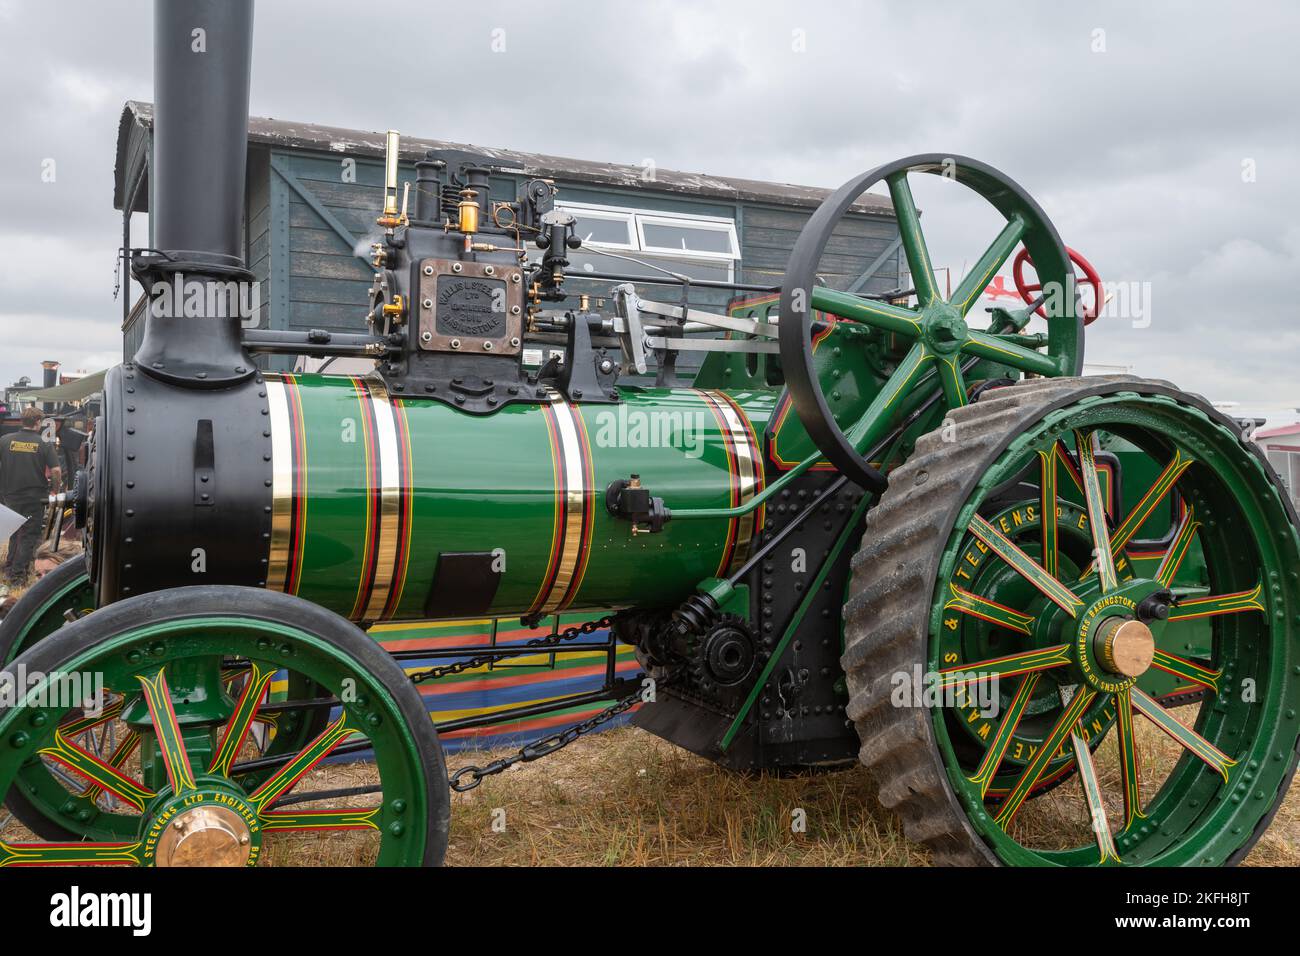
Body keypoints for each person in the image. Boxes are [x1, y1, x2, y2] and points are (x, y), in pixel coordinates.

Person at [0, 407, 61, 587]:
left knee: (14, 532)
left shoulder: (4, 440)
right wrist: (54, 491)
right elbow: (56, 471)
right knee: (28, 536)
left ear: (21, 421)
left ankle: (9, 569)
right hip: (35, 497)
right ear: (38, 423)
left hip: (10, 495)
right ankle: (17, 578)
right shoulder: (43, 443)